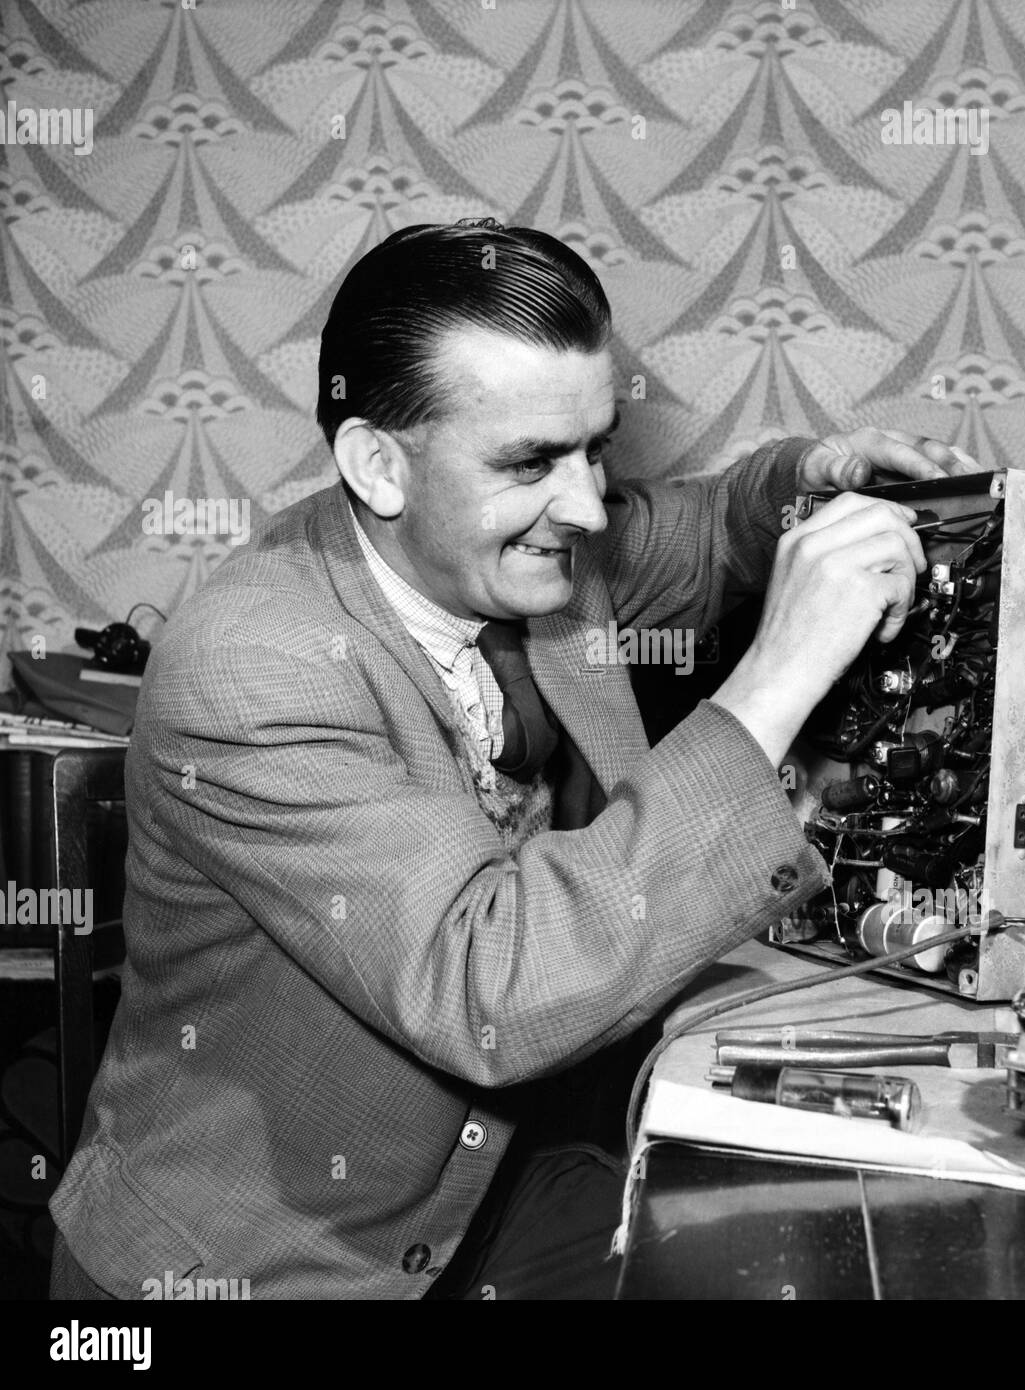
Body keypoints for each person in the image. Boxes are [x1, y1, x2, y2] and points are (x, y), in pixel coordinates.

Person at [49, 219, 976, 1299]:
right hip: (262, 1264)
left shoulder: (534, 550)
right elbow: (488, 985)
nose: (585, 505)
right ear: (377, 466)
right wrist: (777, 677)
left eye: (597, 449)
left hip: (496, 1196)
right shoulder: (251, 665)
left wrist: (811, 478)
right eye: (532, 461)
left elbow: (719, 523)